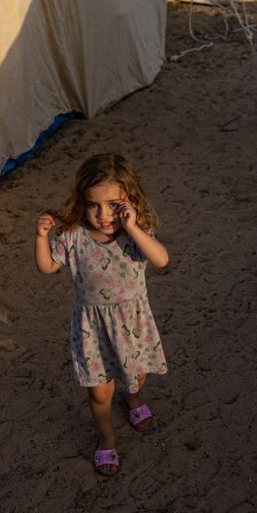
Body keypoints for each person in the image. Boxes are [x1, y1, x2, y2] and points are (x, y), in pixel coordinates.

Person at [34, 152, 170, 475]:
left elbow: (162, 260)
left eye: (112, 204)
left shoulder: (133, 235)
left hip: (132, 326)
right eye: (93, 205)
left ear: (129, 200)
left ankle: (134, 398)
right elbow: (47, 266)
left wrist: (134, 227)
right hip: (93, 331)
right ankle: (106, 436)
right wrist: (41, 238)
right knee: (99, 392)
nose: (103, 214)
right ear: (82, 202)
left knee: (137, 375)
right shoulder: (74, 236)